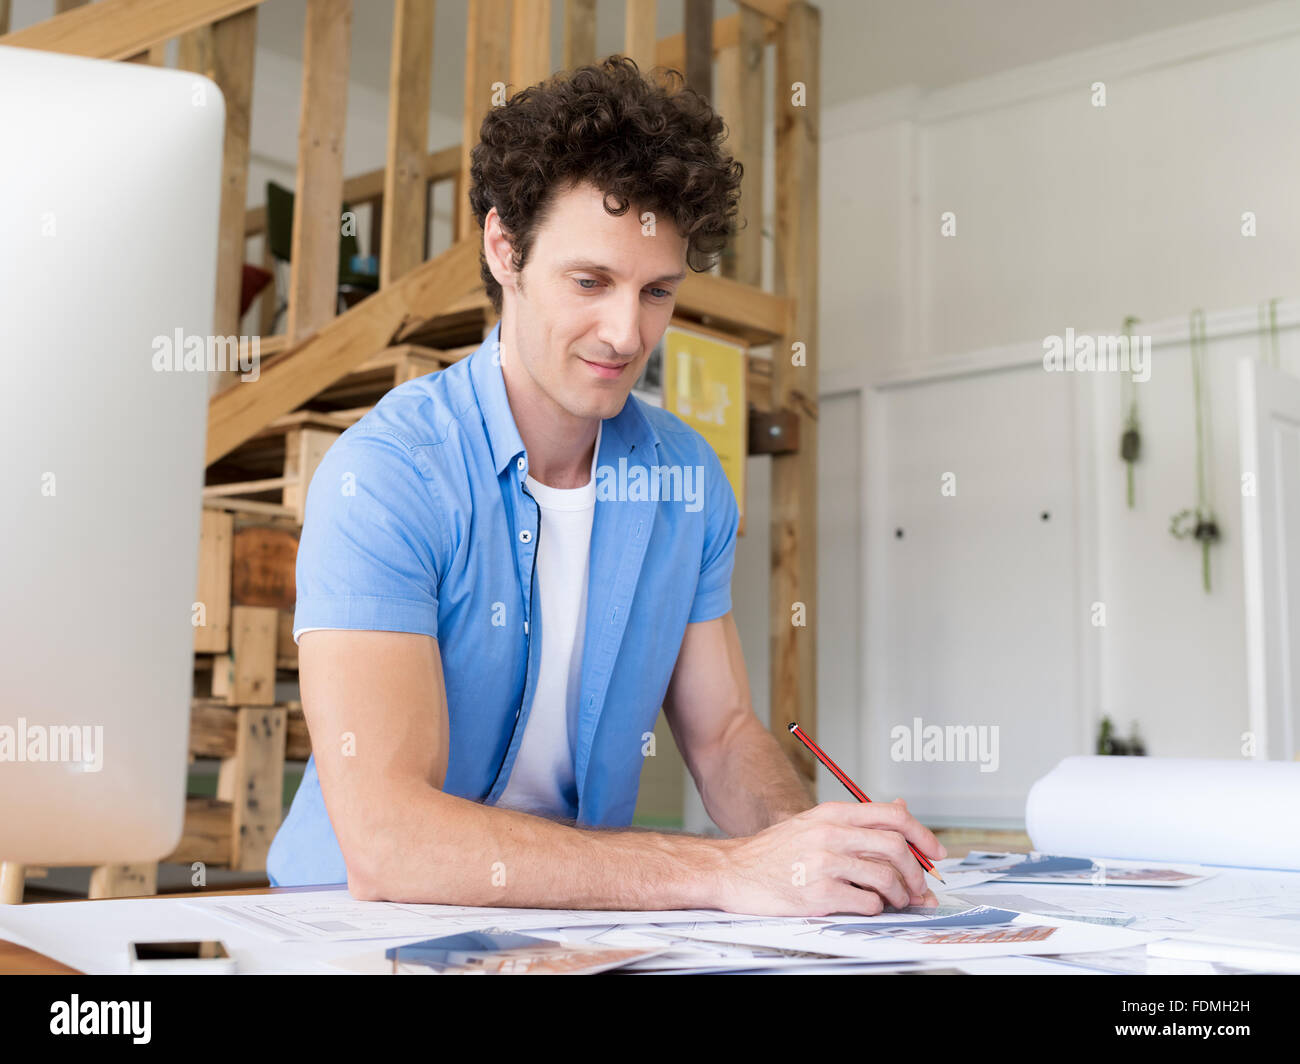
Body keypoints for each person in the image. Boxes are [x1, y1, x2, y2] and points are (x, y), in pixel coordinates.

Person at [266, 56, 943, 915]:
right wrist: (727, 871)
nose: (626, 333)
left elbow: (724, 732)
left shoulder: (687, 480)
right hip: (357, 925)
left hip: (575, 919)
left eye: (657, 291)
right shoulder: (387, 477)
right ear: (504, 248)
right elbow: (392, 842)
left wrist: (815, 848)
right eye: (590, 282)